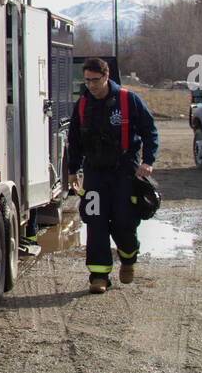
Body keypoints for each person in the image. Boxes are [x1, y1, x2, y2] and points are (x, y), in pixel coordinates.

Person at [66, 58, 158, 292]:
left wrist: (147, 162)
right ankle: (99, 276)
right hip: (95, 173)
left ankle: (128, 258)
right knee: (95, 223)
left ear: (106, 77)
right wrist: (72, 170)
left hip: (124, 172)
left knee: (123, 222)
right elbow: (74, 140)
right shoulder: (83, 104)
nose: (91, 85)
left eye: (95, 80)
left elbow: (150, 130)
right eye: (87, 80)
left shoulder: (129, 100)